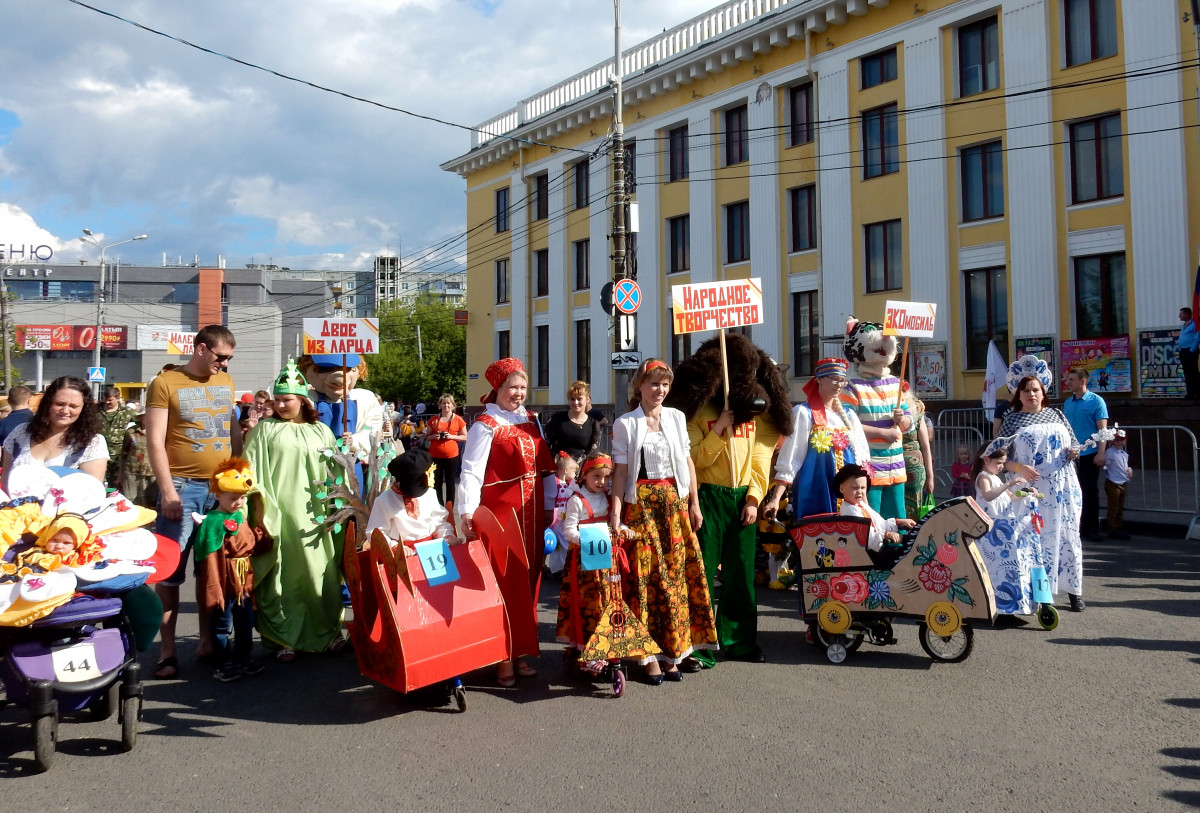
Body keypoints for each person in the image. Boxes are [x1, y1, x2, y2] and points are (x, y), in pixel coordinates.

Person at [609, 359, 717, 683]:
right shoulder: (626, 423)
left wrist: (694, 504)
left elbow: (686, 462)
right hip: (642, 508)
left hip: (674, 506)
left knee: (676, 581)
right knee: (647, 582)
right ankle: (647, 655)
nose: (660, 390)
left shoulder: (676, 417)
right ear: (640, 386)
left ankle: (674, 651)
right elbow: (621, 473)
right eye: (654, 383)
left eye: (665, 384)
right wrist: (615, 513)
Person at [146, 324, 240, 679]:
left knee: (211, 567)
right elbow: (155, 441)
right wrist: (169, 491)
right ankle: (167, 652)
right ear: (201, 349)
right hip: (182, 488)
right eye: (220, 356)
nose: (224, 364)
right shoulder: (165, 384)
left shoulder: (225, 383)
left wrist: (239, 473)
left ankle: (205, 640)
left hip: (220, 488)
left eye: (229, 358)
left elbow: (231, 430)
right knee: (170, 571)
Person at [457, 357, 553, 686]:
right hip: (502, 516)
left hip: (533, 513)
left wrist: (552, 508)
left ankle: (522, 650)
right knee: (504, 584)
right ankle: (502, 657)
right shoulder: (485, 424)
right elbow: (470, 470)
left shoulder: (531, 420)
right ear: (497, 388)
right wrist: (467, 510)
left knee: (529, 584)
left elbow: (544, 469)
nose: (518, 393)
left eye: (523, 387)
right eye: (512, 386)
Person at [245, 358, 345, 659]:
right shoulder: (264, 431)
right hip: (280, 514)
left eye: (285, 399)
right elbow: (250, 470)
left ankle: (327, 632)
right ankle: (283, 637)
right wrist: (261, 510)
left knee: (320, 573)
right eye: (276, 400)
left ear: (302, 399)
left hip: (316, 514)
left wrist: (339, 502)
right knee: (284, 574)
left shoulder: (321, 431)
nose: (279, 405)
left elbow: (334, 471)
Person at [556, 451, 659, 674]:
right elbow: (568, 530)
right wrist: (589, 538)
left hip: (606, 562)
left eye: (605, 477)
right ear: (584, 476)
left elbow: (615, 523)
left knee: (608, 603)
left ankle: (607, 646)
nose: (601, 482)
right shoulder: (576, 500)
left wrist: (626, 531)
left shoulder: (606, 497)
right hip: (585, 563)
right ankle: (587, 650)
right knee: (589, 604)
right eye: (596, 477)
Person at [997, 357, 1085, 612]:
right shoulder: (1012, 421)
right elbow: (999, 460)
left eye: (1035, 389)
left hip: (1061, 488)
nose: (1031, 394)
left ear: (1042, 391)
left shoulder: (1056, 414)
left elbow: (1074, 442)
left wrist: (1074, 451)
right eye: (1026, 390)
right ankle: (1040, 594)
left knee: (1067, 538)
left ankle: (1073, 590)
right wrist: (1018, 468)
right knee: (1034, 541)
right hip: (1029, 490)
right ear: (1018, 394)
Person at [763, 358, 870, 522]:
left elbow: (861, 461)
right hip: (816, 491)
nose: (838, 384)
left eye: (842, 380)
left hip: (848, 498)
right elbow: (791, 458)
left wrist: (865, 504)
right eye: (833, 378)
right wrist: (776, 498)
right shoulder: (804, 413)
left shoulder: (849, 416)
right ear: (819, 379)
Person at [193, 458, 271, 682]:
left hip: (243, 582)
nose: (238, 502)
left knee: (245, 620)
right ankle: (224, 662)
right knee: (222, 623)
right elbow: (210, 559)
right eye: (233, 498)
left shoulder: (240, 515)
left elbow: (248, 543)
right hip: (225, 581)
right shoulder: (213, 522)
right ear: (218, 495)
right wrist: (214, 589)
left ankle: (244, 658)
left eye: (242, 498)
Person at [971, 444, 1044, 618]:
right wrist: (1010, 483)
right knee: (994, 566)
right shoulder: (983, 477)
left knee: (1005, 564)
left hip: (1001, 525)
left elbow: (1010, 497)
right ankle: (994, 604)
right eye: (999, 463)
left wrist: (1025, 492)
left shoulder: (995, 476)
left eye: (1003, 463)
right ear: (986, 460)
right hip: (990, 528)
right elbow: (988, 495)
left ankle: (1008, 604)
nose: (1002, 467)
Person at [1, 376, 108, 491]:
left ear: (84, 409)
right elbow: (5, 481)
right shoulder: (21, 433)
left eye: (73, 406)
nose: (65, 411)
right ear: (48, 403)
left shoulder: (93, 442)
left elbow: (91, 493)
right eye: (59, 404)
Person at [365, 446, 456, 551]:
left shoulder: (430, 493)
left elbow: (438, 521)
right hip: (400, 553)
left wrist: (447, 536)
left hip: (430, 549)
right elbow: (375, 532)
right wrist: (395, 546)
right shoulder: (385, 501)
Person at [1062, 367, 1109, 543]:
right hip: (1072, 454)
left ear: (1083, 381)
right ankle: (1077, 527)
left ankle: (1092, 528)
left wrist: (1101, 453)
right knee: (1073, 491)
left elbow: (1103, 430)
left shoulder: (1096, 401)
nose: (1067, 382)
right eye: (1067, 379)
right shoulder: (1068, 403)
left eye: (1071, 379)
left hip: (1089, 453)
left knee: (1090, 490)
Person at [834, 463, 916, 551]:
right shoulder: (849, 511)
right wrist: (886, 535)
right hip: (866, 553)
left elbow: (880, 523)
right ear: (842, 489)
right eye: (855, 488)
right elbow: (864, 535)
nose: (860, 492)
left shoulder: (862, 506)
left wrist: (898, 522)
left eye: (862, 488)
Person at [424, 393, 467, 506]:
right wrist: (434, 437)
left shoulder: (458, 420)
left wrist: (452, 436)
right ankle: (439, 506)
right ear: (440, 405)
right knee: (436, 483)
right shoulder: (433, 420)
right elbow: (427, 437)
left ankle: (450, 507)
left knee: (450, 482)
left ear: (453, 405)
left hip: (451, 456)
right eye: (444, 403)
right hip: (435, 456)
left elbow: (465, 437)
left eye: (448, 403)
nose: (446, 405)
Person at [544, 381, 602, 462]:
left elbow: (593, 451)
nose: (576, 402)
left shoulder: (593, 424)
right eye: (572, 399)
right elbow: (546, 444)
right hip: (559, 468)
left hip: (582, 469)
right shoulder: (557, 419)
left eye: (579, 399)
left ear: (587, 399)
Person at [901, 383, 935, 517]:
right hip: (893, 469)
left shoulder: (916, 417)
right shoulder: (887, 417)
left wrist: (930, 477)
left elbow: (926, 446)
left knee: (916, 508)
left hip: (915, 470)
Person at [543, 452, 578, 575]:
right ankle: (547, 566)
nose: (575, 475)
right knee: (551, 541)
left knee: (563, 542)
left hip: (564, 517)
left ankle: (562, 568)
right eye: (574, 472)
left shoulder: (571, 485)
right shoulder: (554, 482)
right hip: (555, 516)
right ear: (566, 470)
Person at [117, 410, 158, 508]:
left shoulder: (158, 432)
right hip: (131, 473)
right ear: (140, 417)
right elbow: (124, 454)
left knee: (151, 502)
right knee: (131, 502)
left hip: (152, 473)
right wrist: (120, 475)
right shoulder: (131, 432)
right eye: (145, 416)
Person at [99, 386, 137, 489]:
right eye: (106, 399)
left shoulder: (126, 412)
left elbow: (140, 423)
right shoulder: (96, 411)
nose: (107, 402)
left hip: (118, 454)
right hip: (99, 452)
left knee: (116, 484)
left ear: (118, 398)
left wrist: (132, 434)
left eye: (110, 400)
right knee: (97, 482)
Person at [1104, 427, 1133, 540]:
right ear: (1112, 441)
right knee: (1113, 507)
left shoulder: (1124, 454)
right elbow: (1106, 465)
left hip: (1123, 481)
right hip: (1113, 482)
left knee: (1120, 506)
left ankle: (1118, 527)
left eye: (1121, 440)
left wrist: (1129, 469)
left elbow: (1125, 465)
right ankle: (1112, 528)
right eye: (1117, 440)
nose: (1119, 442)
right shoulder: (1110, 453)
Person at [1179, 307, 1200, 399]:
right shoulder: (1184, 325)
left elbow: (1197, 337)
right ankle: (1190, 393)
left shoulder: (1194, 324)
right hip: (1183, 351)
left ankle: (1198, 393)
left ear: (1187, 314)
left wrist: (1192, 350)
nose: (1179, 315)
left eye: (1181, 313)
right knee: (1187, 373)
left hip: (1191, 350)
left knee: (1194, 372)